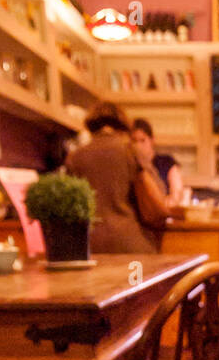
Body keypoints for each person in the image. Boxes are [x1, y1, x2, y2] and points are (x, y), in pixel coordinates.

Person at [66, 104, 179, 253]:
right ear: (123, 126)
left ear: (91, 127)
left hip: (89, 248)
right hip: (132, 248)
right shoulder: (130, 150)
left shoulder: (75, 157)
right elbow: (159, 196)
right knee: (139, 277)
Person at [132, 119, 185, 203]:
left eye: (142, 140)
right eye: (134, 141)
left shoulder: (167, 162)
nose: (138, 146)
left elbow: (177, 193)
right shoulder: (129, 165)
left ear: (152, 140)